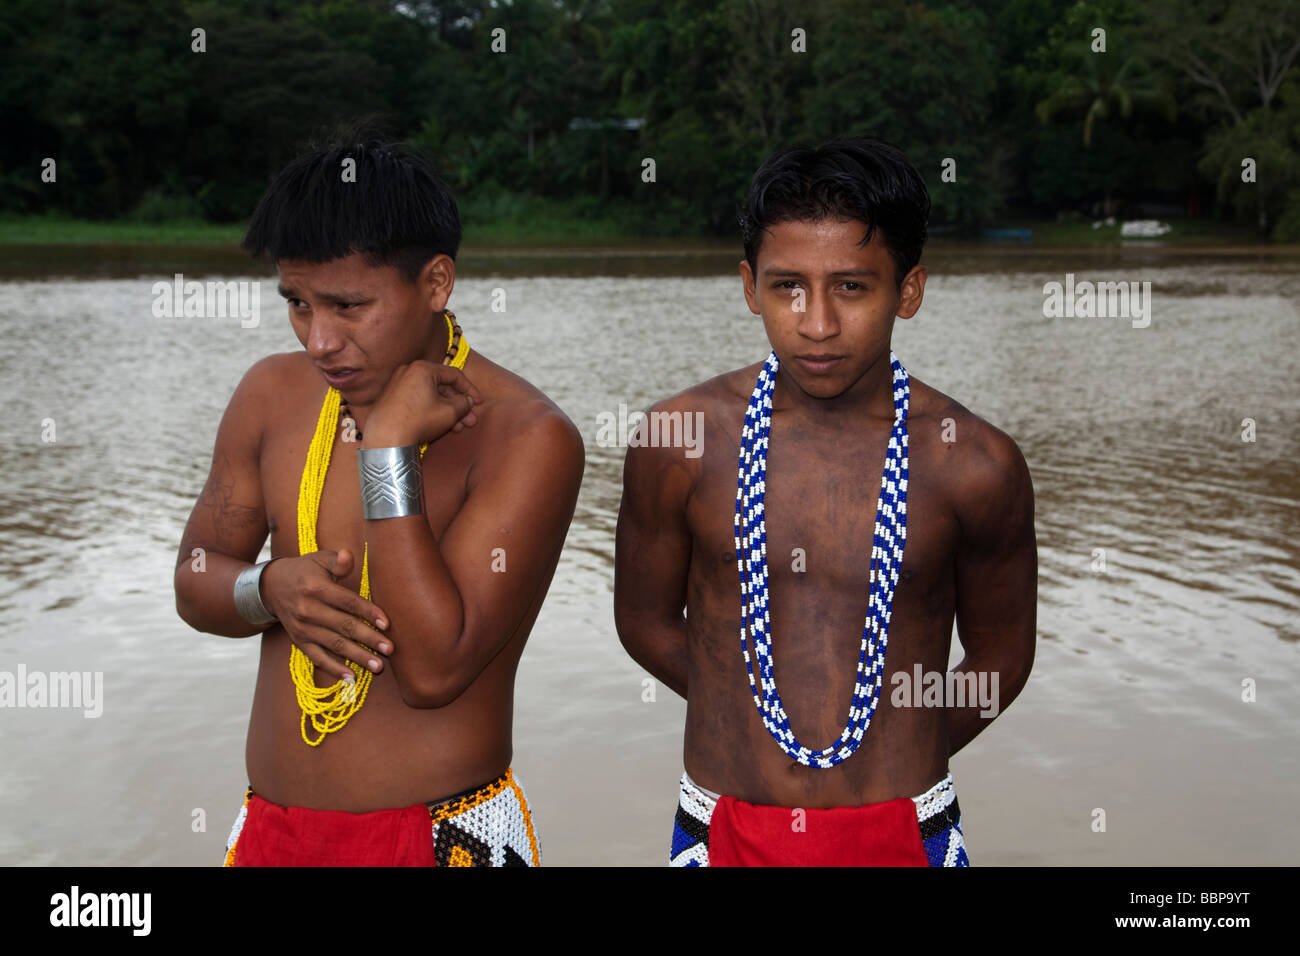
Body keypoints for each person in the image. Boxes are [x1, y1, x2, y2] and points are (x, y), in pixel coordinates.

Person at [614, 137, 1037, 866]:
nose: (816, 325)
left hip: (909, 828)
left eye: (851, 287)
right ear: (750, 286)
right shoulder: (681, 441)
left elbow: (1002, 654)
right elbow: (643, 621)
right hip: (722, 829)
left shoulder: (973, 462)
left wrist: (889, 741)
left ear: (908, 291)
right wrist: (750, 717)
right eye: (787, 287)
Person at [174, 136, 584, 866]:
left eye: (348, 305)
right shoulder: (271, 393)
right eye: (297, 304)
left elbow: (431, 670)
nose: (320, 340)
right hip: (270, 832)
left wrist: (388, 453)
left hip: (444, 837)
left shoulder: (527, 435)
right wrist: (266, 589)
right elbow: (194, 580)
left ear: (435, 283)